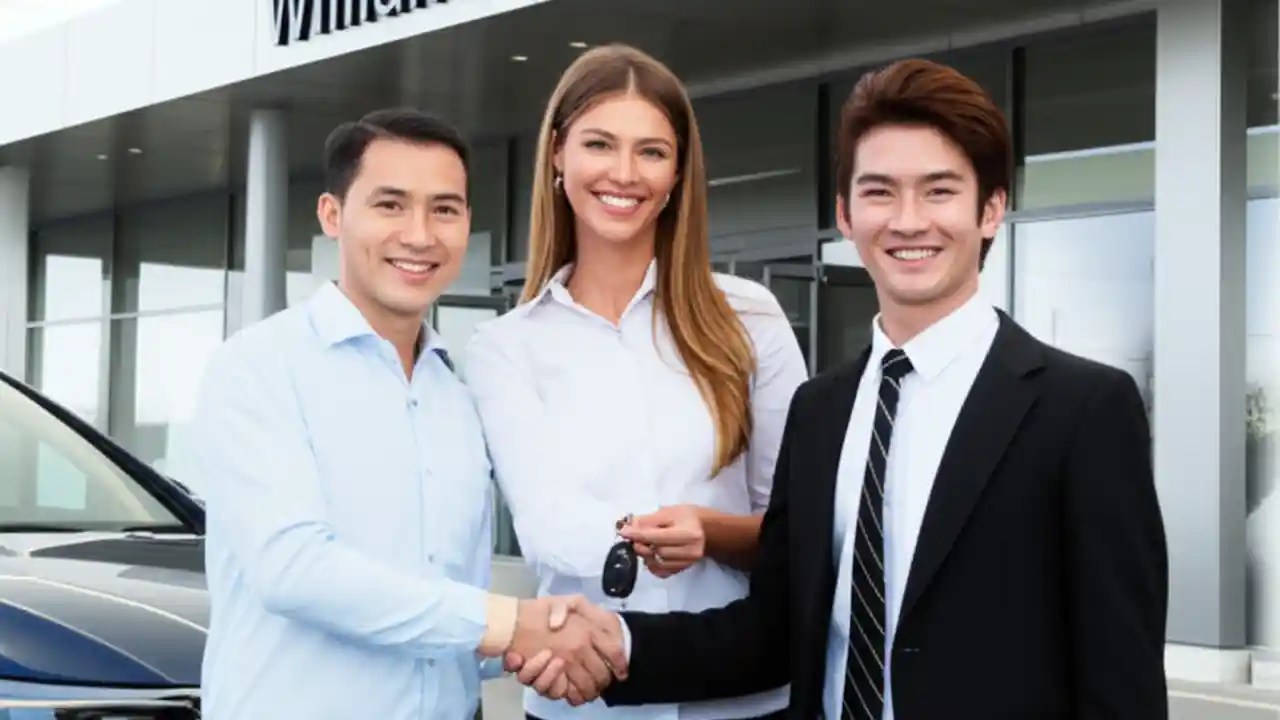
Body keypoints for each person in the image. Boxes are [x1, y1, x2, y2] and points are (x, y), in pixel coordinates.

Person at [515, 58, 1170, 719]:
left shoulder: (1082, 411)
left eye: (939, 191)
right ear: (845, 215)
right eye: (880, 192)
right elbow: (776, 631)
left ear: (991, 210)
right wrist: (620, 643)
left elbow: (1123, 677)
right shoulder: (821, 411)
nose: (908, 221)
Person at [188, 108, 625, 720]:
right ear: (332, 215)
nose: (420, 235)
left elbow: (447, 611)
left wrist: (533, 645)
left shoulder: (456, 395)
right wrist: (511, 624)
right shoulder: (259, 367)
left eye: (444, 209)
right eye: (390, 205)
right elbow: (292, 569)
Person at [463, 44, 808, 719]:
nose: (624, 174)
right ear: (557, 153)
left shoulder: (750, 318)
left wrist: (710, 531)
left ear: (678, 173)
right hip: (580, 702)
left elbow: (796, 526)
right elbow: (545, 525)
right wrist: (650, 533)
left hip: (738, 698)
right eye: (599, 144)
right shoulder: (503, 348)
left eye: (651, 152)